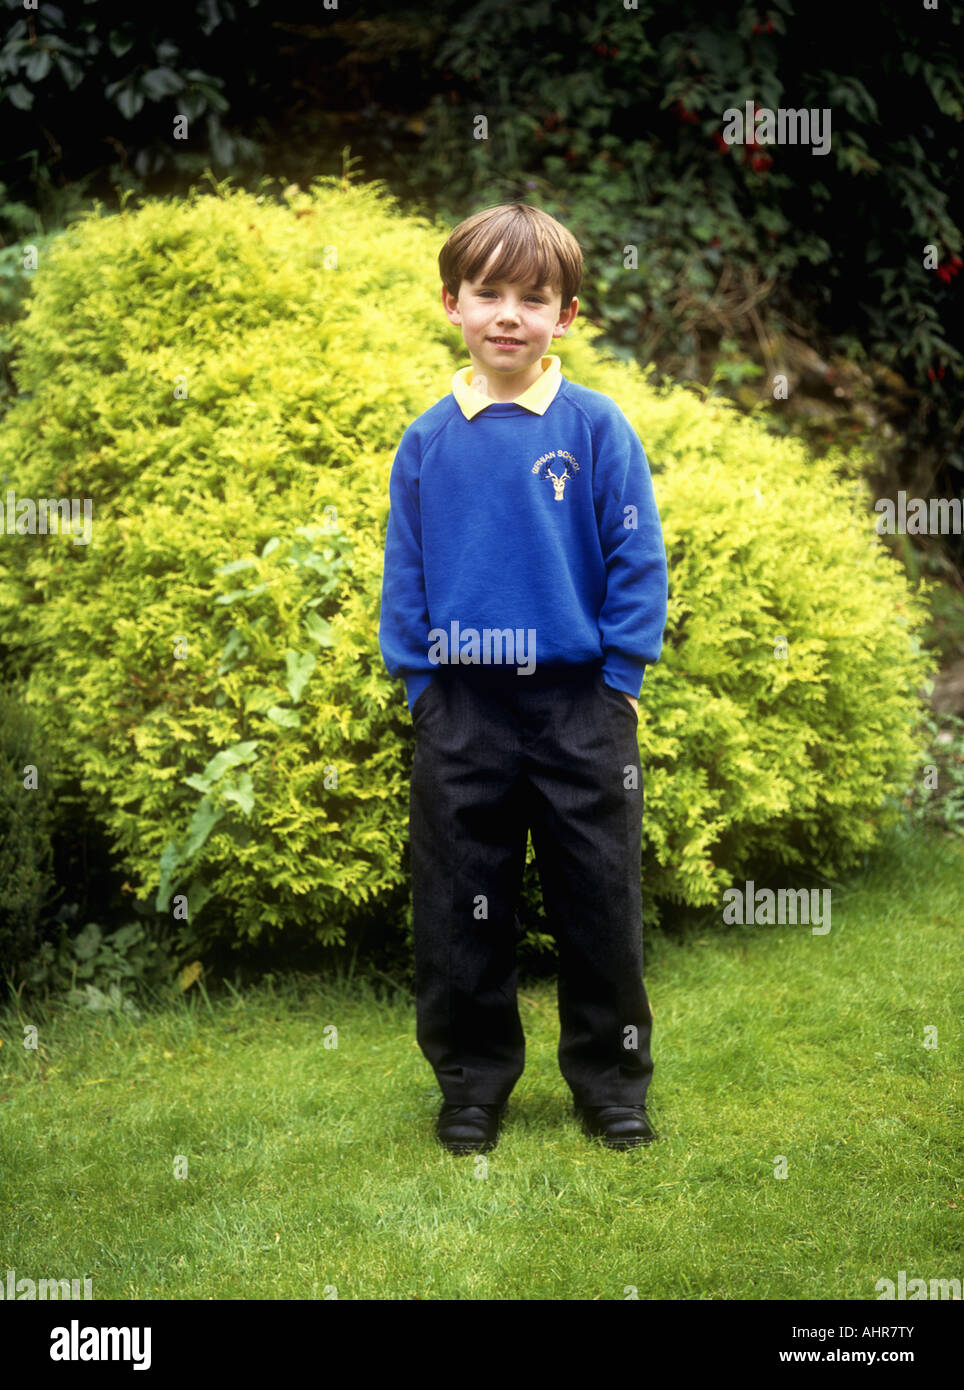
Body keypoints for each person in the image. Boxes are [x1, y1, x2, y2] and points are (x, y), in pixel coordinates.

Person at [378, 202, 668, 1153]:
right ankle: (470, 1088)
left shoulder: (595, 426)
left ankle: (612, 1085)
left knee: (600, 902)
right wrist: (424, 686)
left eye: (532, 298)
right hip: (462, 710)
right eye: (488, 294)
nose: (509, 314)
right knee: (461, 909)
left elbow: (637, 557)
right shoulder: (426, 441)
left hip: (581, 707)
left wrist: (620, 677)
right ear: (453, 304)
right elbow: (405, 571)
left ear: (566, 316)